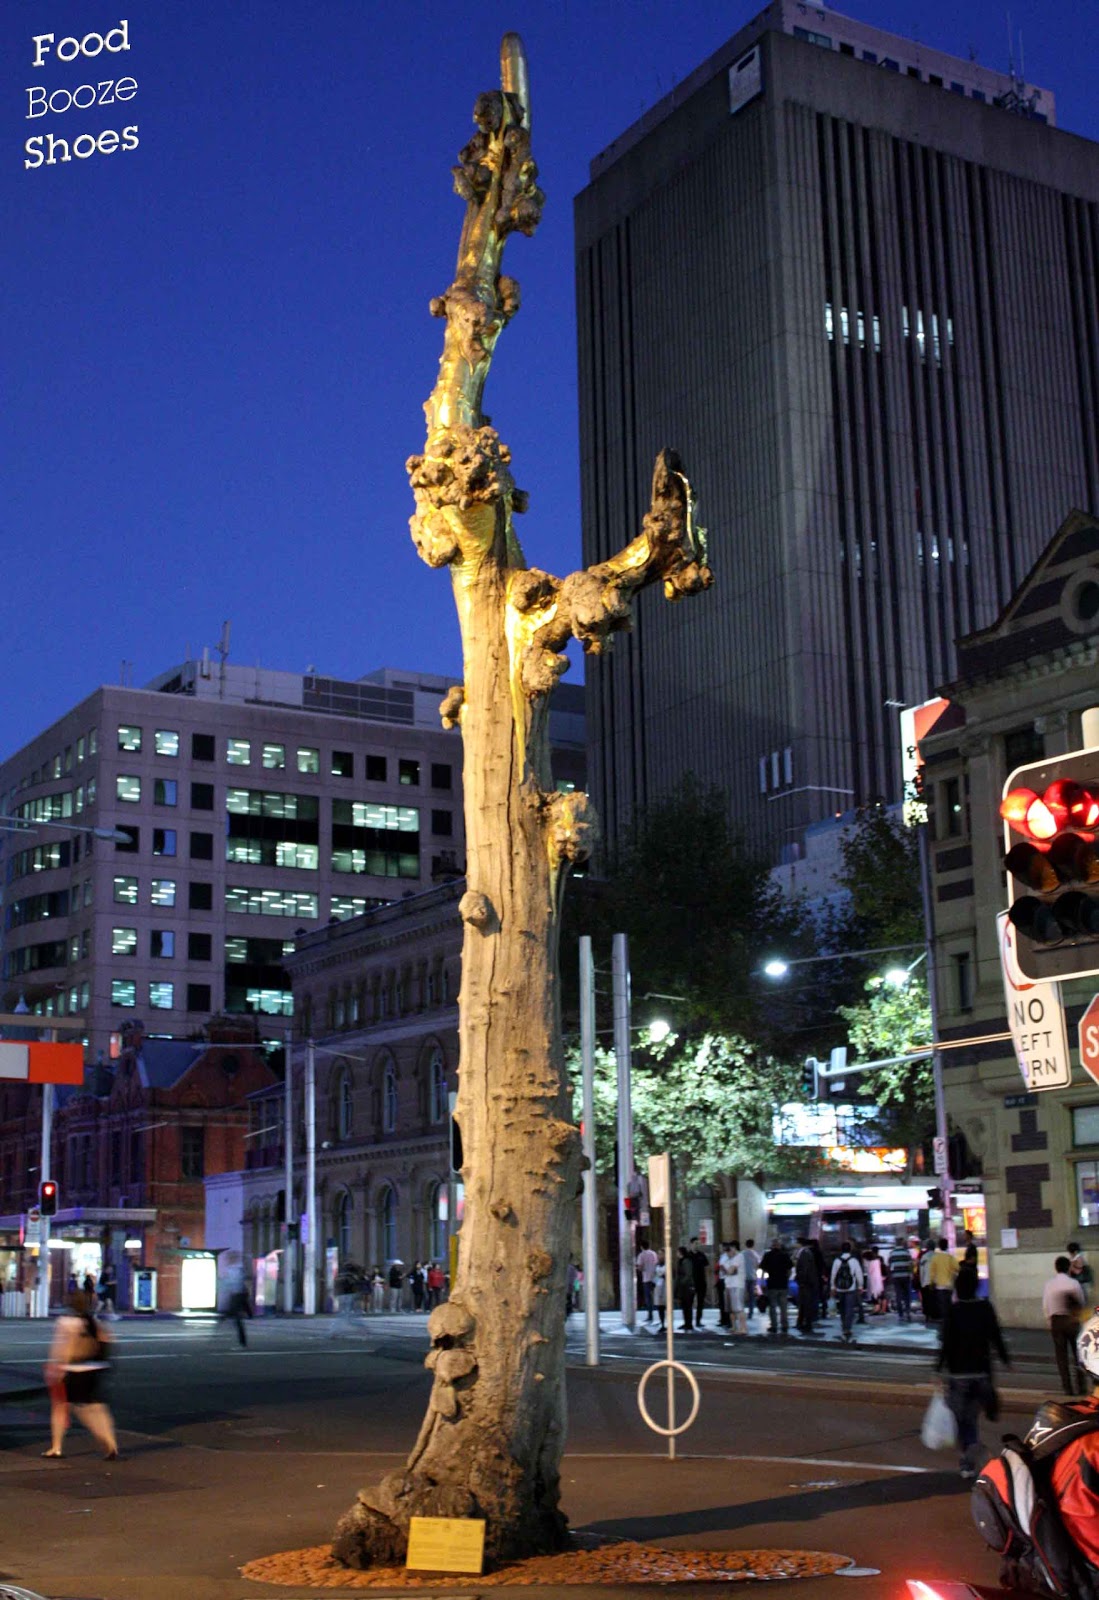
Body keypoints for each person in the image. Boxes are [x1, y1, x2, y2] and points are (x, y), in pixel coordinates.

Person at [937, 1263, 1009, 1478]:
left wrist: (938, 1368)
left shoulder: (954, 1310)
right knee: (973, 1418)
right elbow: (995, 1336)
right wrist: (1005, 1359)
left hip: (958, 1374)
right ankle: (973, 1453)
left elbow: (946, 1343)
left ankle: (968, 1459)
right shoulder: (985, 1308)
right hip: (981, 1372)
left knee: (962, 1421)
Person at [42, 1289, 118, 1460]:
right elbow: (107, 1339)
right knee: (97, 1407)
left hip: (74, 1370)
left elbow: (62, 1347)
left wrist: (56, 1367)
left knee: (62, 1407)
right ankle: (111, 1442)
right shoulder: (93, 1321)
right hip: (95, 1369)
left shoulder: (66, 1322)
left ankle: (56, 1447)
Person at [1044, 1253, 1087, 1395]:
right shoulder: (1074, 1284)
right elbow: (1081, 1303)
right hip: (1072, 1321)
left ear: (1056, 1268)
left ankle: (1067, 1388)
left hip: (1057, 1321)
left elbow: (1046, 1306)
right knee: (1078, 1356)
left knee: (1061, 1357)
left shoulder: (1049, 1285)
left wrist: (1050, 1321)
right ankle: (1081, 1387)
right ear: (1068, 1267)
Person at [830, 1240, 865, 1344]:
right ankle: (847, 1328)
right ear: (850, 1249)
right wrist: (860, 1286)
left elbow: (833, 1274)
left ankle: (843, 1324)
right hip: (851, 1288)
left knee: (842, 1308)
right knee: (850, 1308)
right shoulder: (854, 1261)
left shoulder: (837, 1261)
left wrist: (832, 1287)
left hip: (840, 1288)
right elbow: (859, 1274)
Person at [759, 1238, 792, 1337]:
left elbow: (763, 1270)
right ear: (779, 1245)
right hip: (783, 1284)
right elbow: (790, 1269)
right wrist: (787, 1278)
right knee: (783, 1307)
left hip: (772, 1284)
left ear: (772, 1246)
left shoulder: (768, 1255)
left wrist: (762, 1282)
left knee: (772, 1306)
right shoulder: (785, 1255)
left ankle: (774, 1326)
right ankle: (784, 1325)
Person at [928, 1237, 959, 1321]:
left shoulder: (935, 1258)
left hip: (939, 1285)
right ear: (947, 1246)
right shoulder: (950, 1258)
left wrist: (931, 1282)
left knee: (942, 1304)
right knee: (949, 1302)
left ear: (939, 1246)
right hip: (949, 1285)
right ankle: (949, 1319)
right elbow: (957, 1268)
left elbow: (932, 1272)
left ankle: (944, 1320)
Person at [222, 1266, 252, 1348]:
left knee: (237, 1319)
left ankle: (242, 1342)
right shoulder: (237, 1273)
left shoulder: (234, 1272)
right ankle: (242, 1342)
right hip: (238, 1295)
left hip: (238, 1295)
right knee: (237, 1318)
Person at [887, 1236, 914, 1322]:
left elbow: (890, 1265)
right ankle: (908, 1312)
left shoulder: (892, 1253)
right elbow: (910, 1264)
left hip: (896, 1276)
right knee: (907, 1295)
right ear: (902, 1243)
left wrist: (891, 1275)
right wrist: (911, 1273)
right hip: (906, 1276)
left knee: (898, 1295)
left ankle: (900, 1314)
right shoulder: (906, 1252)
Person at [794, 1237, 817, 1334]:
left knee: (806, 1304)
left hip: (806, 1283)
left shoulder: (804, 1253)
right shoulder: (805, 1253)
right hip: (806, 1282)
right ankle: (802, 1323)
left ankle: (806, 1324)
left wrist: (801, 1280)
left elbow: (805, 1269)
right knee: (804, 1304)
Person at [688, 1238, 708, 1328]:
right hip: (691, 1282)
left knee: (700, 1302)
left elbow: (706, 1267)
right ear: (691, 1244)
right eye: (696, 1243)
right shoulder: (688, 1255)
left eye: (698, 1243)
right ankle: (689, 1322)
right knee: (689, 1302)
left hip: (701, 1282)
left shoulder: (702, 1255)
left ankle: (698, 1320)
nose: (697, 1245)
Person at [675, 1246, 695, 1332]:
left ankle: (689, 1323)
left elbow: (688, 1274)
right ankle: (686, 1323)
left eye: (677, 1252)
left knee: (688, 1306)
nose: (676, 1254)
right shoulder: (681, 1261)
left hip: (687, 1287)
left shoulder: (686, 1261)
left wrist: (682, 1282)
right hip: (683, 1287)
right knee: (684, 1306)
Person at [636, 1241, 658, 1321]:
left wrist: (638, 1269)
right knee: (653, 1296)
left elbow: (640, 1267)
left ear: (641, 1247)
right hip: (655, 1278)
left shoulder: (641, 1255)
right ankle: (654, 1312)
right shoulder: (654, 1253)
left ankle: (650, 1315)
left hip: (646, 1278)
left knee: (648, 1297)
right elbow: (656, 1263)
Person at [742, 1238, 761, 1319]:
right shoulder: (755, 1254)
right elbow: (759, 1264)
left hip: (743, 1277)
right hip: (753, 1277)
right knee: (751, 1296)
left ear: (746, 1244)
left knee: (742, 1295)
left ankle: (741, 1311)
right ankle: (751, 1312)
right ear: (753, 1245)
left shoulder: (742, 1253)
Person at [652, 1249, 667, 1332]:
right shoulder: (657, 1264)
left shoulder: (667, 1264)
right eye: (659, 1254)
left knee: (665, 1305)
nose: (660, 1256)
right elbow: (655, 1274)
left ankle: (666, 1323)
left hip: (665, 1286)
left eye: (661, 1254)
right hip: (658, 1285)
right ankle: (662, 1323)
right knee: (659, 1306)